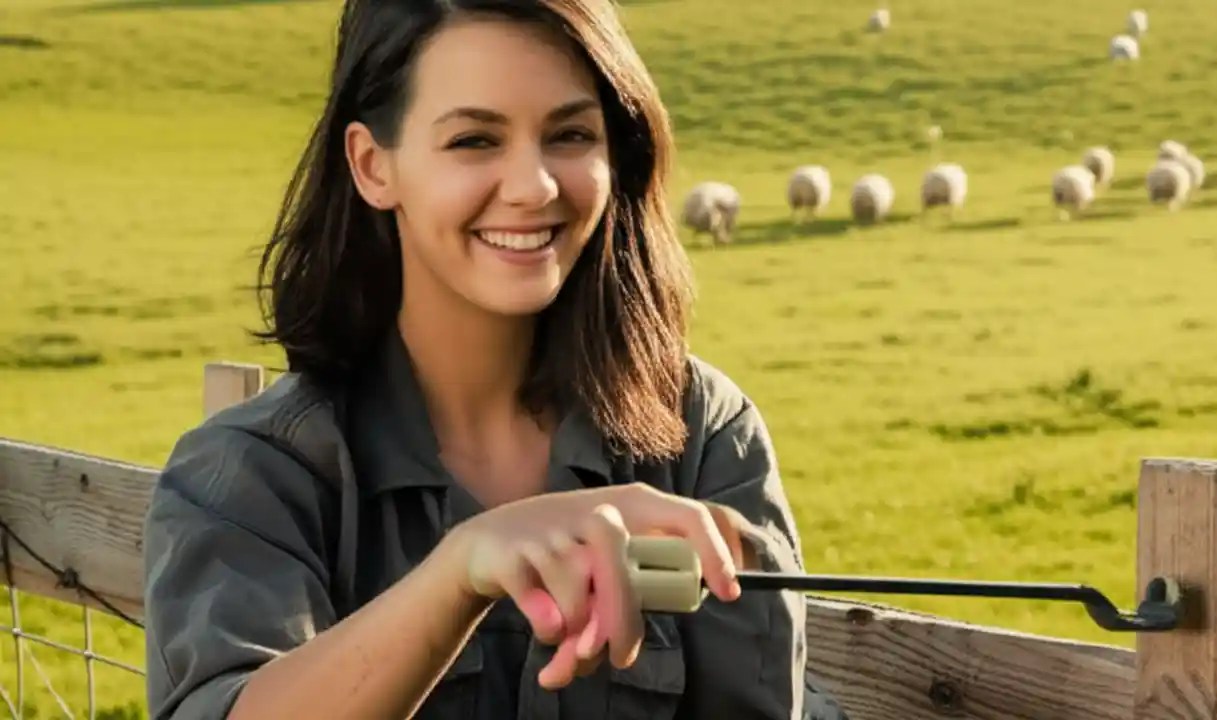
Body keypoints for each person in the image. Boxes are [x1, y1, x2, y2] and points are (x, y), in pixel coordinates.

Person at [141, 0, 814, 718]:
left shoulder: (705, 437)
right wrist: (461, 570)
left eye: (570, 134)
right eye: (473, 141)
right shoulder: (253, 476)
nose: (534, 187)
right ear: (374, 166)